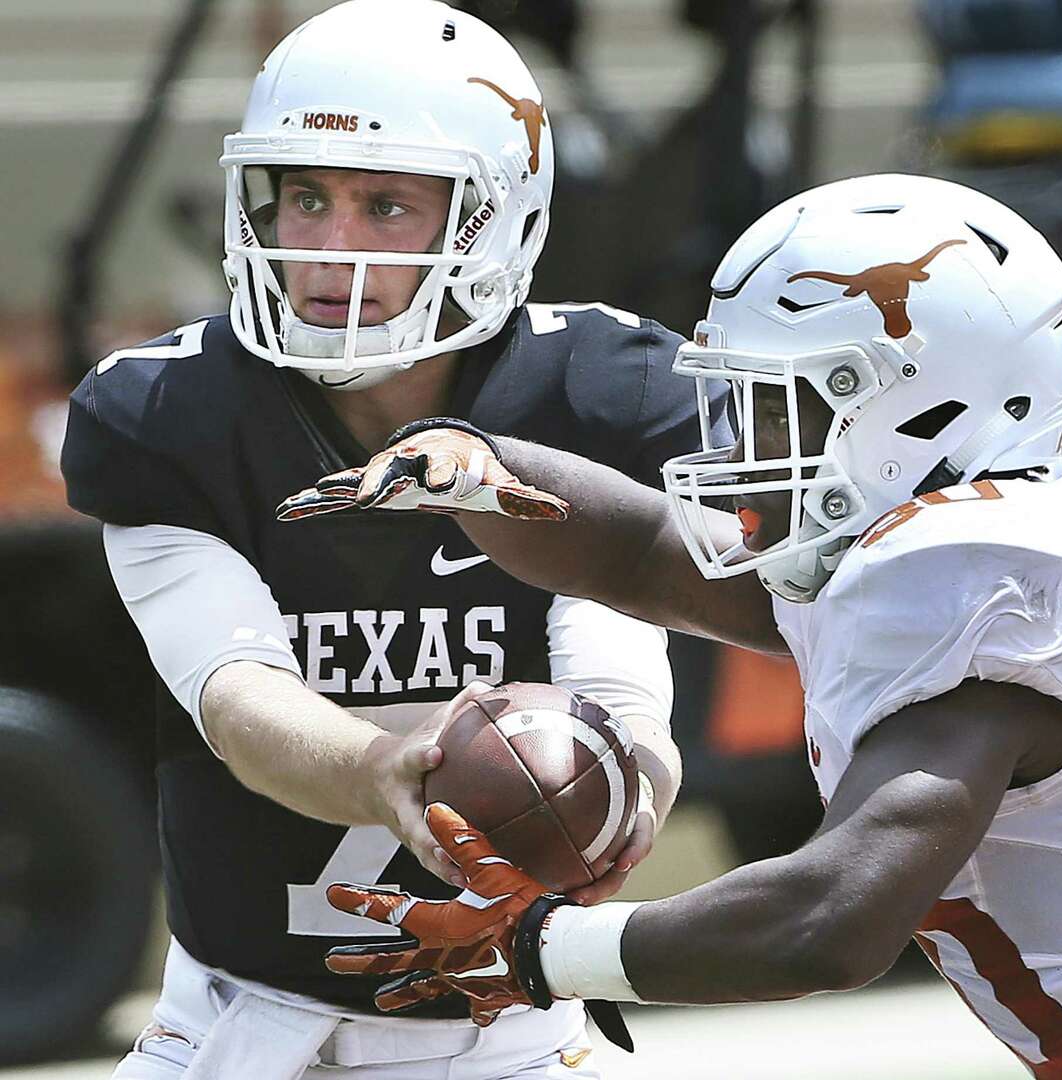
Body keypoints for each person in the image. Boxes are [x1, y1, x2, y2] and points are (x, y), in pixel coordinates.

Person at [280, 173, 1062, 1078]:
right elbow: (647, 553)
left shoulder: (970, 573)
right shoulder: (987, 521)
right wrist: (480, 466)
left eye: (768, 402)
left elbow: (829, 919)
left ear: (910, 406)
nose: (734, 445)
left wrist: (543, 951)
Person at [59, 1, 716, 1076]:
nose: (327, 248)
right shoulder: (171, 415)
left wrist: (620, 784)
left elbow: (621, 692)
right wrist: (382, 772)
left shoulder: (596, 395)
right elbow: (235, 697)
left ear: (490, 221)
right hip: (236, 1025)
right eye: (306, 197)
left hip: (508, 1038)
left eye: (385, 204)